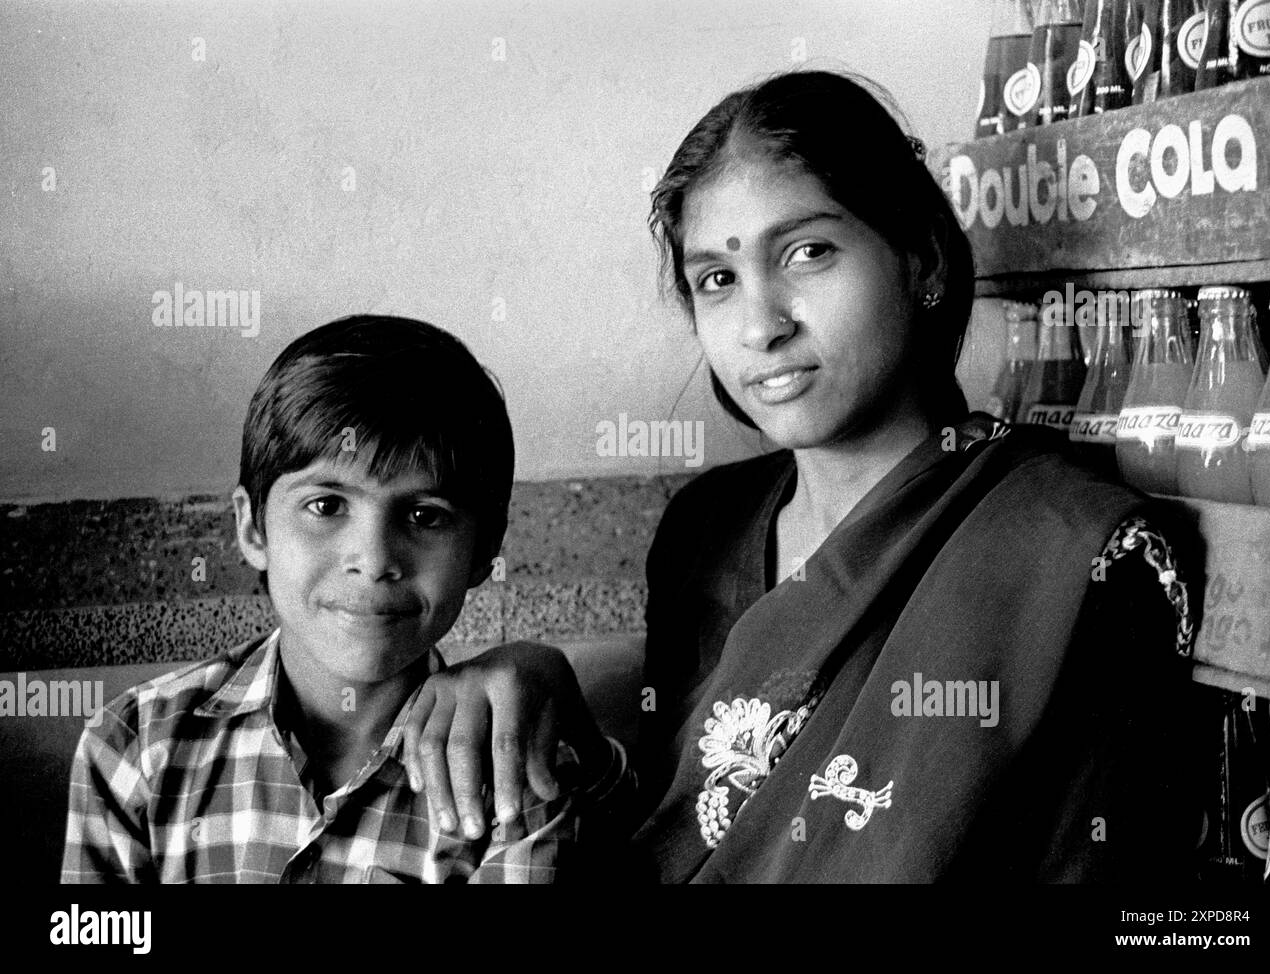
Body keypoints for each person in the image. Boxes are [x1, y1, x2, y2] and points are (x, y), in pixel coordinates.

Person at [403, 70, 1202, 882]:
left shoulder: (1069, 552)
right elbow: (676, 823)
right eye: (717, 279)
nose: (761, 325)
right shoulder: (705, 533)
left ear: (920, 256)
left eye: (809, 253)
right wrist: (544, 678)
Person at [61, 315, 628, 883]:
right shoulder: (136, 743)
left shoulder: (513, 773)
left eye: (425, 516)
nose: (375, 558)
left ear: (483, 552)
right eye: (327, 506)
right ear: (253, 528)